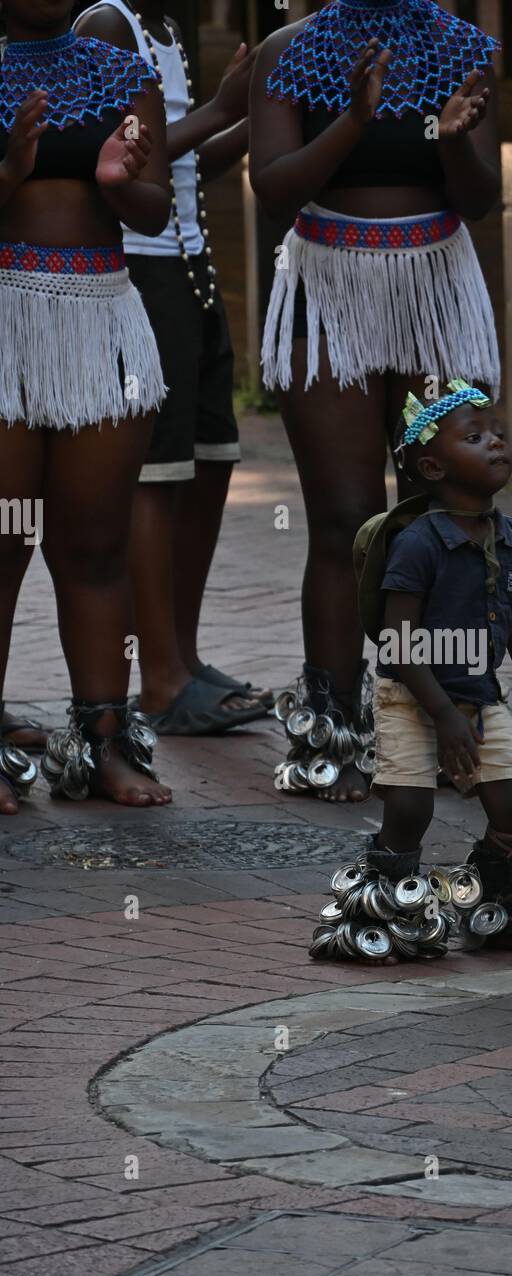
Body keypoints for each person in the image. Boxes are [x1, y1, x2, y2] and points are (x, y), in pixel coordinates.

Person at [249, 0, 501, 803]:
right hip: (326, 286)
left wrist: (455, 140)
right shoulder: (290, 51)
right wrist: (355, 120)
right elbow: (274, 190)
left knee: (445, 510)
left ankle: (453, 715)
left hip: (433, 284)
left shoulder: (459, 46)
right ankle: (333, 729)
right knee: (345, 516)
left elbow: (482, 199)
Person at [312, 380, 512, 965]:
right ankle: (381, 919)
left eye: (496, 432)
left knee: (511, 804)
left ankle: (492, 911)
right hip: (409, 697)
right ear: (432, 465)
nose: (495, 442)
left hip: (480, 696)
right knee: (409, 809)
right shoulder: (418, 544)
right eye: (474, 437)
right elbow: (398, 642)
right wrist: (442, 716)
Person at [75, 0, 270, 735]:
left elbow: (189, 160)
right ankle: (158, 679)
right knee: (156, 475)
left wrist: (249, 117)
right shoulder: (107, 23)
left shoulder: (162, 27)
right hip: (142, 272)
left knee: (210, 459)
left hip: (192, 266)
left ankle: (183, 657)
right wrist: (222, 102)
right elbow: (124, 162)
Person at [0, 0, 172, 812]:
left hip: (101, 310)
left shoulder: (124, 74)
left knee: (96, 545)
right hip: (5, 315)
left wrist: (119, 182)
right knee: (3, 537)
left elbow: (154, 208)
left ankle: (103, 745)